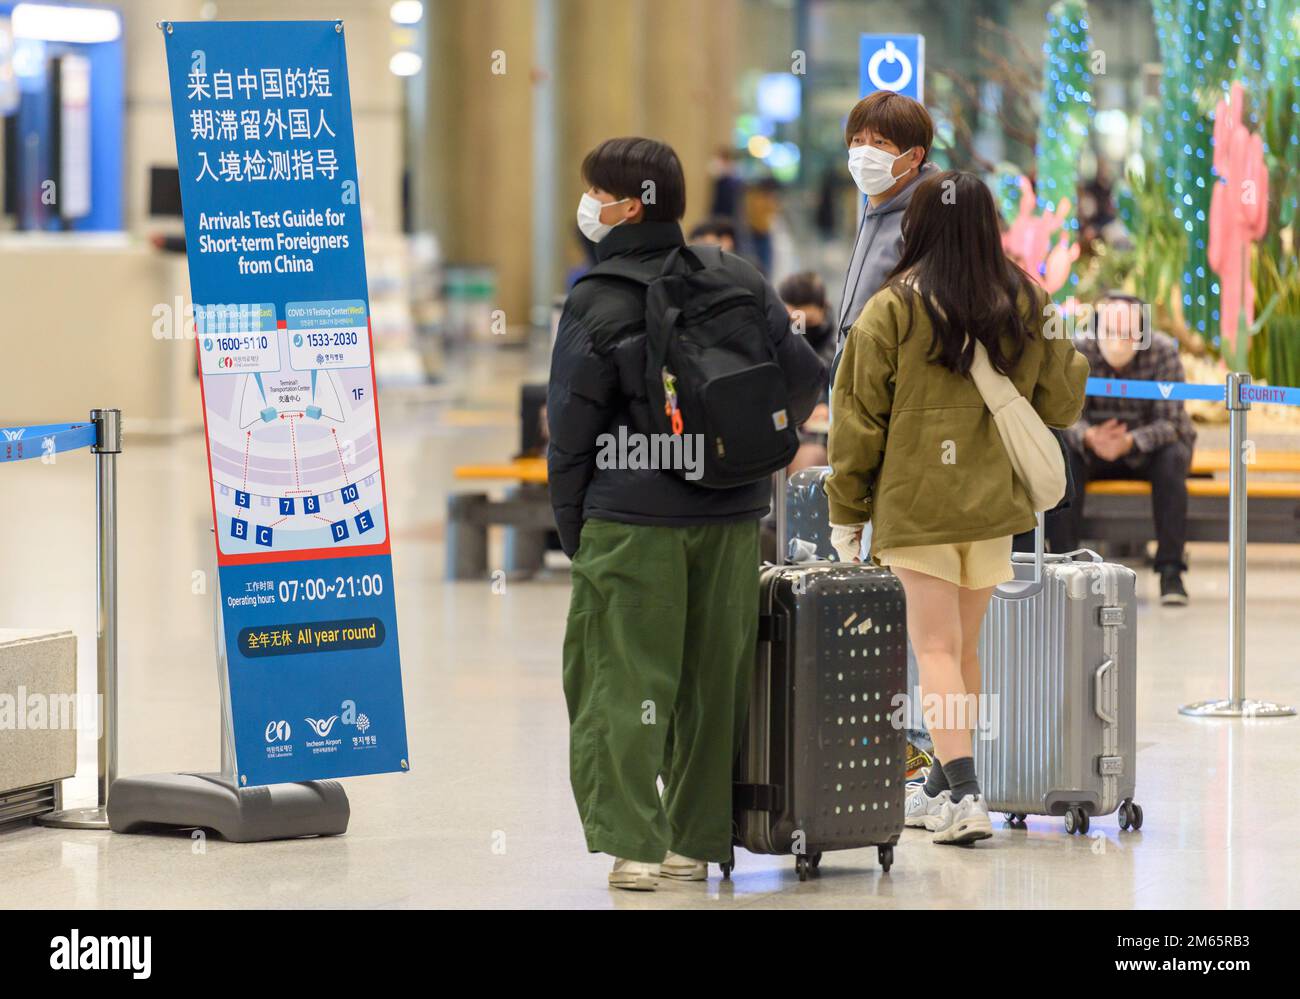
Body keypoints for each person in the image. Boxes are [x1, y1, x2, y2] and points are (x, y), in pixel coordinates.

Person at [548, 136, 824, 890]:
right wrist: (743, 455)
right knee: (711, 683)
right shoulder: (735, 275)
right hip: (733, 519)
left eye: (596, 192)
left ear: (628, 207)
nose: (587, 205)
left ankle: (633, 845)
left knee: (622, 680)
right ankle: (694, 841)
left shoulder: (596, 296)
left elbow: (570, 429)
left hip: (632, 521)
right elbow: (803, 378)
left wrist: (574, 526)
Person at [825, 171, 1088, 845]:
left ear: (917, 226)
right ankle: (942, 785)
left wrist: (846, 509)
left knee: (935, 649)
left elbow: (857, 421)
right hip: (994, 504)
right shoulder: (1028, 300)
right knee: (963, 649)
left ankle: (967, 795)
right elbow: (1063, 403)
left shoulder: (892, 307)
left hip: (918, 505)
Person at [1046, 293, 1196, 605]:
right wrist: (1089, 437)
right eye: (1110, 332)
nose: (1117, 341)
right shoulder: (1077, 350)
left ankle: (1171, 571)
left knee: (1173, 459)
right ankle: (1064, 567)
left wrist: (1130, 441)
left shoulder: (1163, 352)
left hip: (1145, 450)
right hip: (1092, 448)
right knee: (1063, 458)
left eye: (1127, 333)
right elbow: (1059, 412)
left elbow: (1171, 421)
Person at [832, 90, 939, 380]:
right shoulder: (875, 206)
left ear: (914, 156)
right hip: (858, 381)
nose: (864, 152)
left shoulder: (927, 218)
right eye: (857, 141)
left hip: (894, 385)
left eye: (880, 142)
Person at [777, 271, 834, 473]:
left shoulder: (838, 345)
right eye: (794, 322)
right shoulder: (775, 340)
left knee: (807, 461)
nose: (801, 328)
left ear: (823, 308)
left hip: (820, 436)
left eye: (808, 322)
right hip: (783, 429)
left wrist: (826, 407)